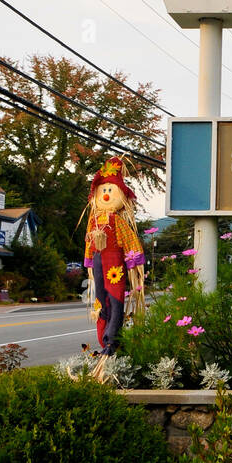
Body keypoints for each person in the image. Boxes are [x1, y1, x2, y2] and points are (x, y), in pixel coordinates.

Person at [83, 156, 145, 366]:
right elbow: (89, 245)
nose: (107, 195)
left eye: (111, 191)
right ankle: (103, 338)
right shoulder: (93, 221)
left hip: (115, 267)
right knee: (101, 302)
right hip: (100, 267)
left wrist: (134, 264)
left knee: (116, 300)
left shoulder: (117, 221)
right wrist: (90, 263)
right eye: (104, 191)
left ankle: (112, 341)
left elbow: (130, 241)